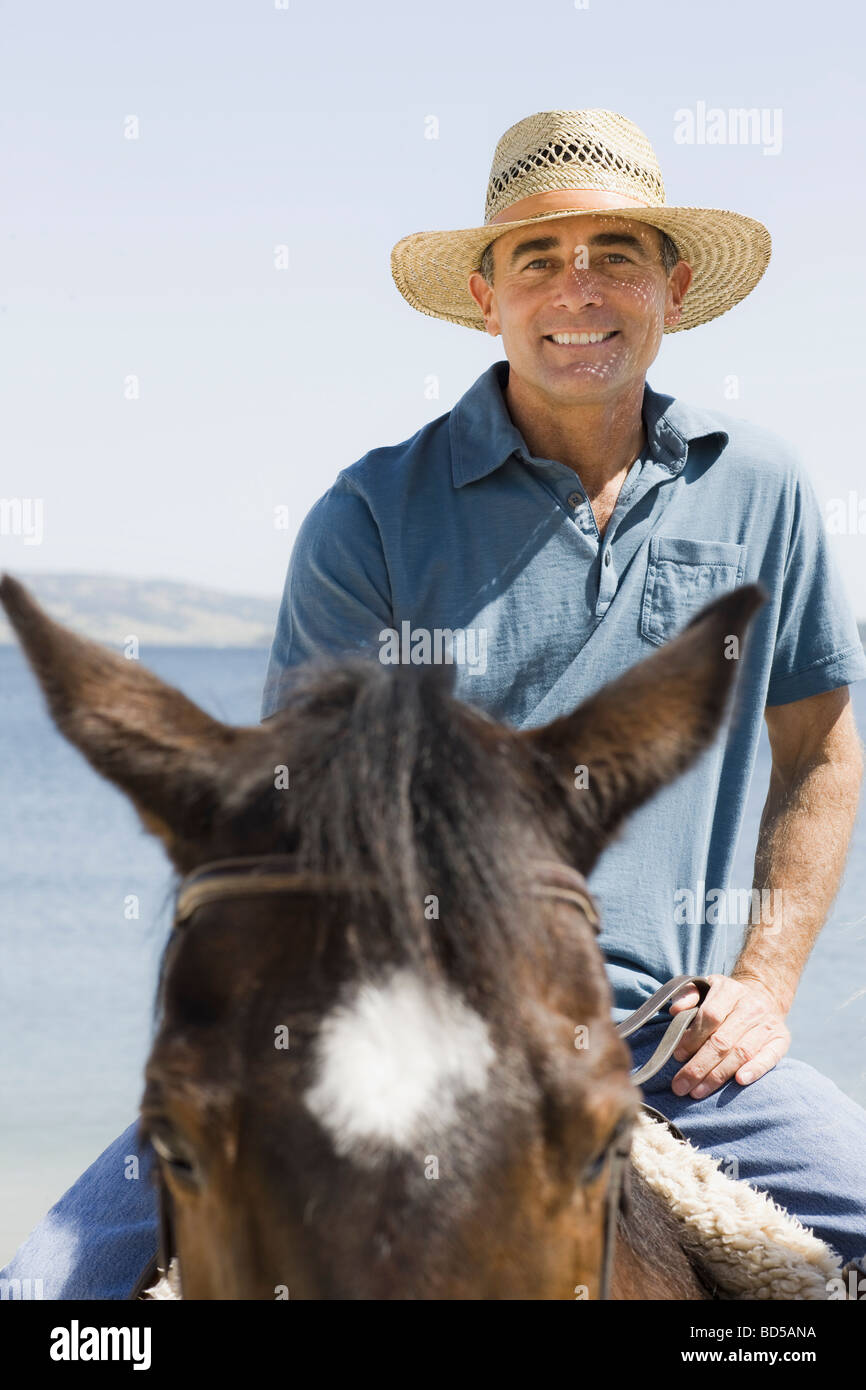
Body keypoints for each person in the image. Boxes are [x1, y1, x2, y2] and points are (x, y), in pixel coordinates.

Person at [3, 108, 864, 1299]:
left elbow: (817, 749)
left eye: (615, 253)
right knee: (49, 1297)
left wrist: (765, 981)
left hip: (669, 1043)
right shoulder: (369, 515)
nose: (578, 289)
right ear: (483, 295)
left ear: (669, 286)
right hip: (398, 1038)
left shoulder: (759, 486)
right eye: (536, 259)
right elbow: (304, 815)